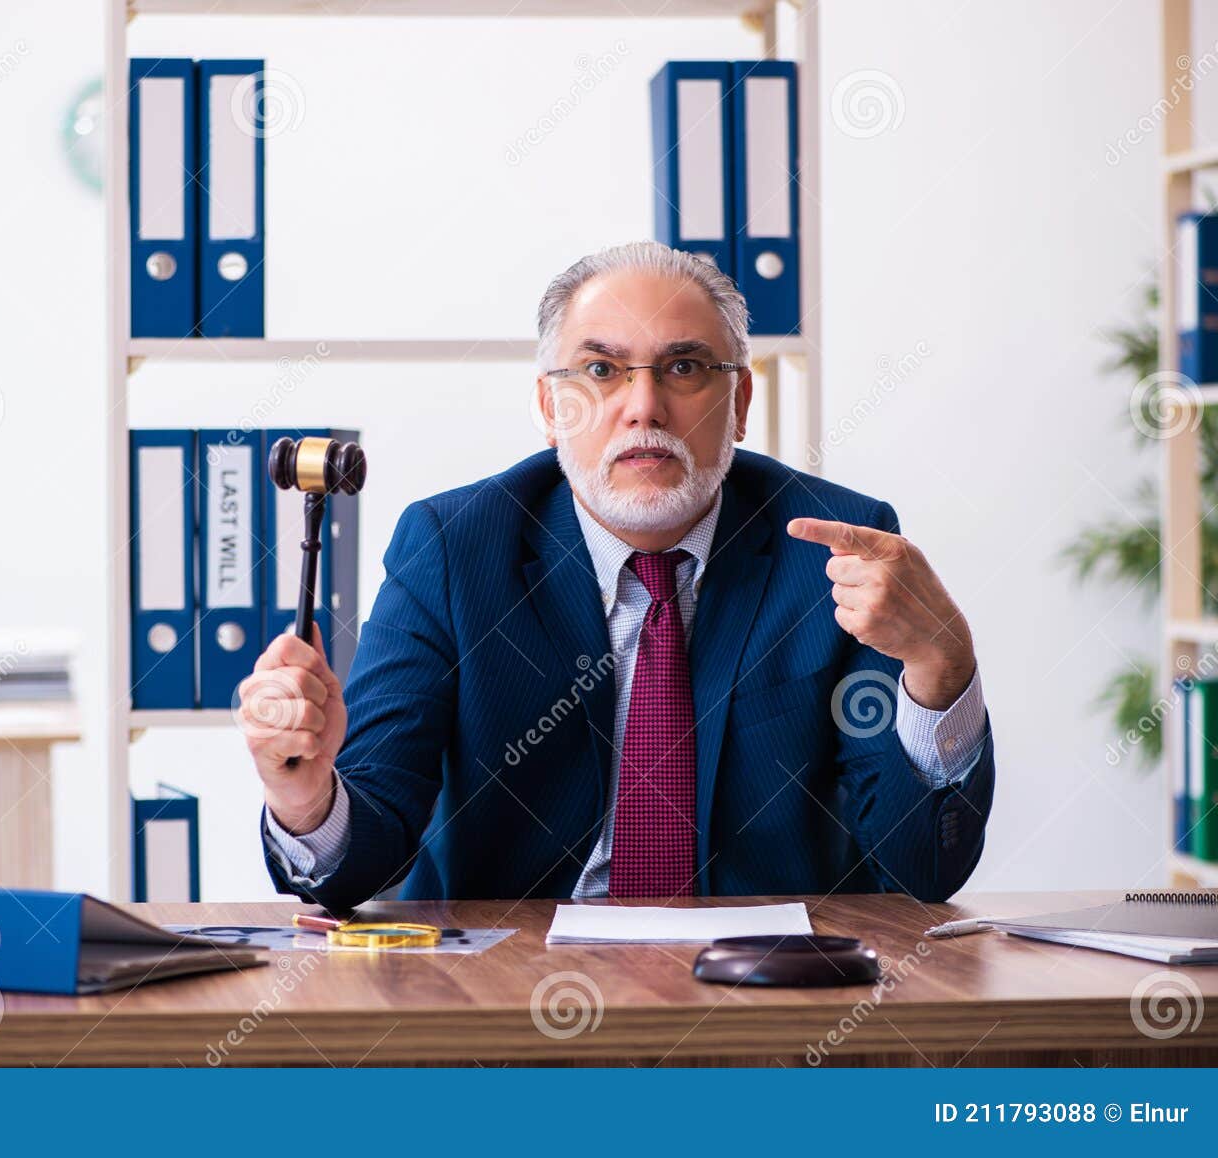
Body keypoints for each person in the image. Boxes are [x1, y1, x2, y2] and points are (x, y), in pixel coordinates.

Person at [239, 241, 993, 910]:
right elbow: (360, 861)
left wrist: (941, 666)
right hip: (505, 1003)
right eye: (601, 370)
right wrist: (304, 796)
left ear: (739, 403)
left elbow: (924, 866)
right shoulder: (452, 549)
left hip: (761, 1000)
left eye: (686, 367)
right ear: (549, 405)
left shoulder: (837, 549)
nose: (644, 407)